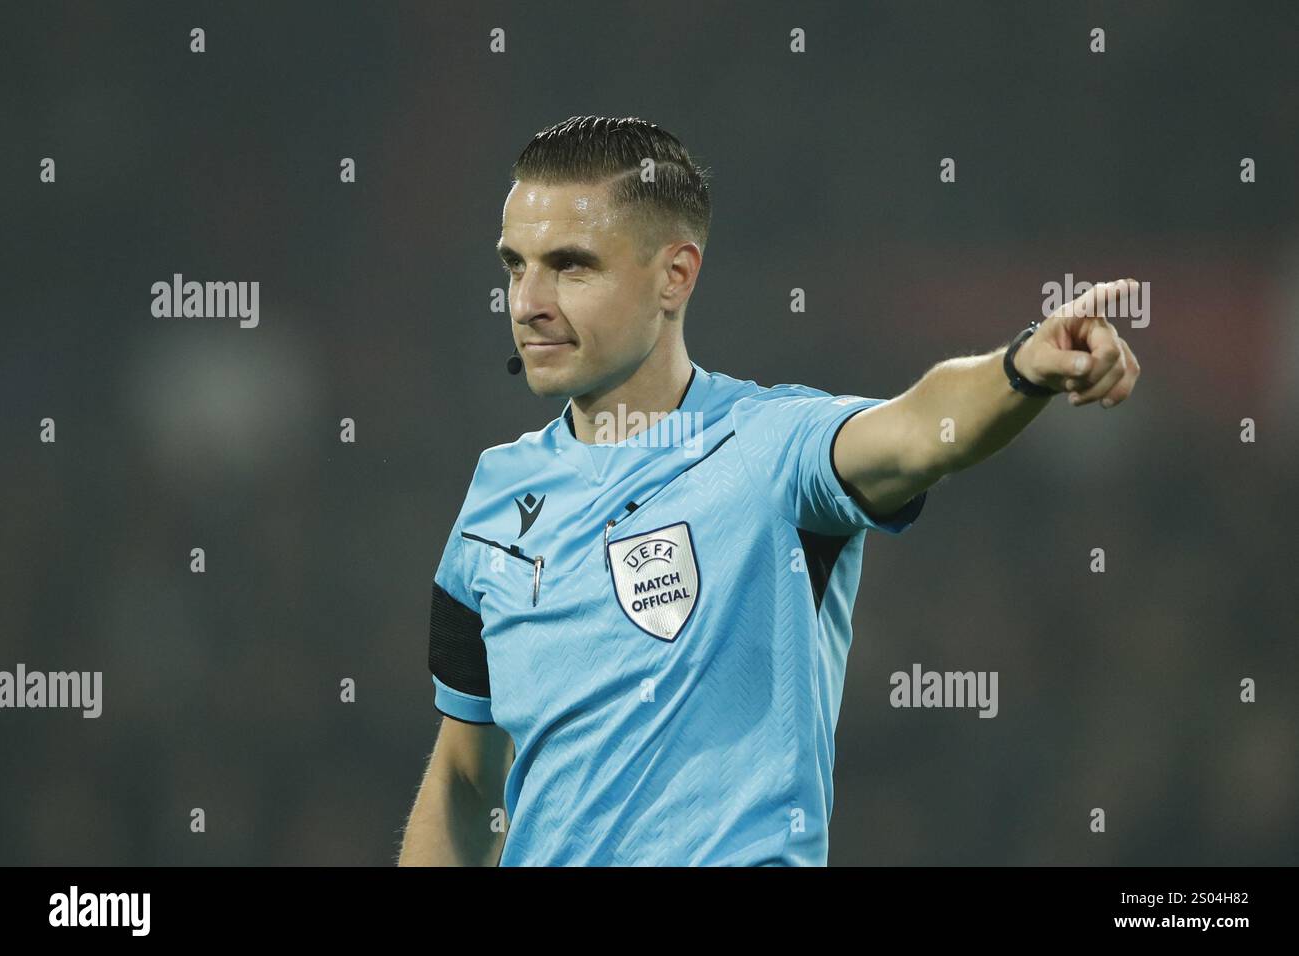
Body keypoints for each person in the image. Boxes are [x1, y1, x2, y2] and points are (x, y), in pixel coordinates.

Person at [397, 115, 1141, 866]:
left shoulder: (773, 447)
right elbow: (466, 779)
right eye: (514, 265)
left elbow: (919, 428)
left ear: (674, 275)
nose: (527, 303)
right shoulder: (497, 497)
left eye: (571, 265)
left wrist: (1021, 368)